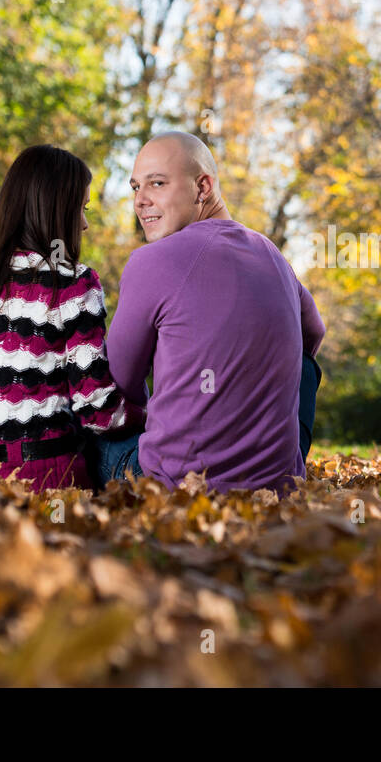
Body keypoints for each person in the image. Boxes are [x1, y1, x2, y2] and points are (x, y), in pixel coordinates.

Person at [90, 131, 325, 496]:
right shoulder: (273, 255)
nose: (140, 201)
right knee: (305, 368)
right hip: (276, 486)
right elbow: (314, 334)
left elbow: (117, 383)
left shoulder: (151, 261)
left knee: (80, 415)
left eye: (157, 183)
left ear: (203, 187)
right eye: (136, 187)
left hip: (173, 486)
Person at [0, 145, 146, 492]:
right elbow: (98, 410)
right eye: (81, 208)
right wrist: (147, 418)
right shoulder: (73, 282)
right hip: (37, 476)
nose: (85, 223)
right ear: (55, 210)